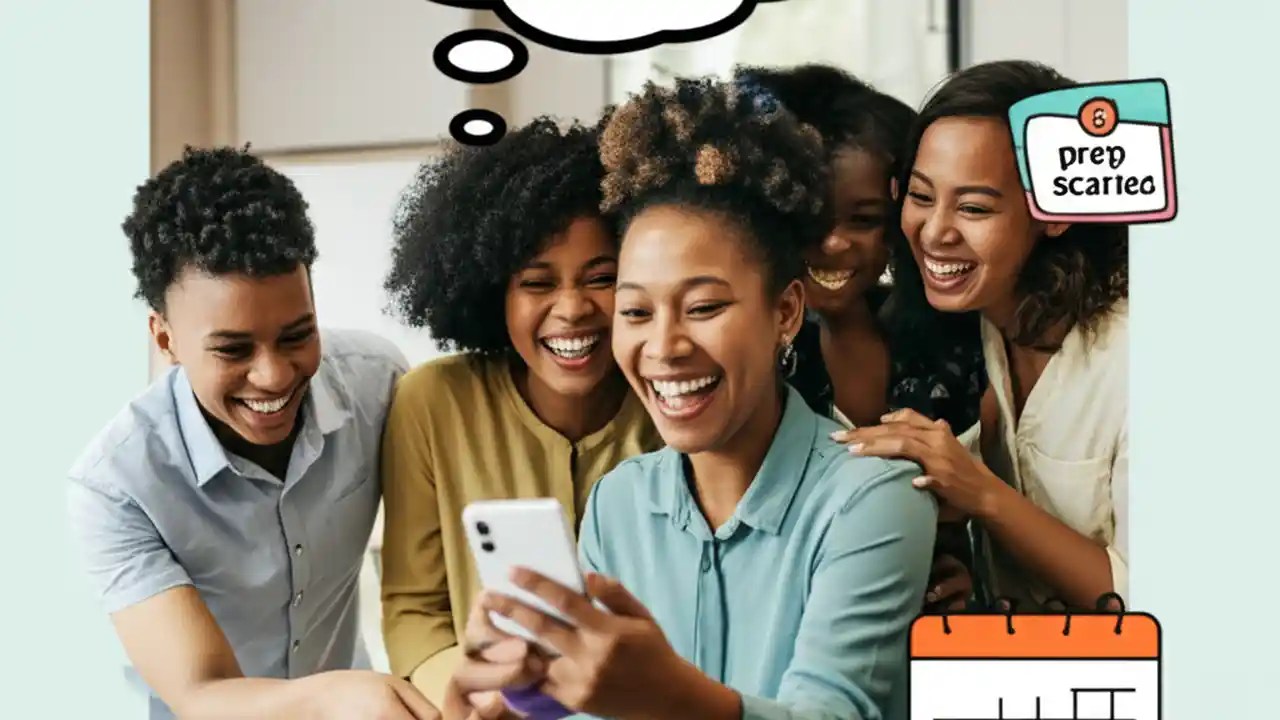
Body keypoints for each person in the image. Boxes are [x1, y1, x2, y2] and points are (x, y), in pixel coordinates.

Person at [444, 77, 937, 720]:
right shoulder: (619, 502)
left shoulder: (874, 497)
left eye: (704, 306)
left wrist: (666, 695)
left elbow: (833, 713)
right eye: (635, 311)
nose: (664, 346)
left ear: (786, 311)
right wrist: (489, 707)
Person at [66, 146, 436, 720]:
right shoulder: (116, 485)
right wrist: (340, 695)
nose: (274, 375)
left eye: (296, 336)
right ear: (165, 339)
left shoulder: (378, 383)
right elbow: (202, 691)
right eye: (233, 350)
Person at [379, 117, 662, 708]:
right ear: (492, 291)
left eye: (602, 278)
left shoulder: (674, 403)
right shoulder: (433, 403)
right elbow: (414, 611)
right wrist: (481, 697)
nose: (572, 308)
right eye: (537, 283)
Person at [842, 60, 1129, 610]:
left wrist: (979, 492)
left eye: (973, 207)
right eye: (921, 197)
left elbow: (1158, 607)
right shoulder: (984, 325)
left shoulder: (1139, 359)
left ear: (1055, 213)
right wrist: (970, 577)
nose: (935, 231)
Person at [735, 63, 987, 612]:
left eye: (864, 219)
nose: (833, 243)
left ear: (901, 217)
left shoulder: (956, 347)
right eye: (812, 218)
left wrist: (961, 576)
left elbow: (975, 513)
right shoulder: (754, 356)